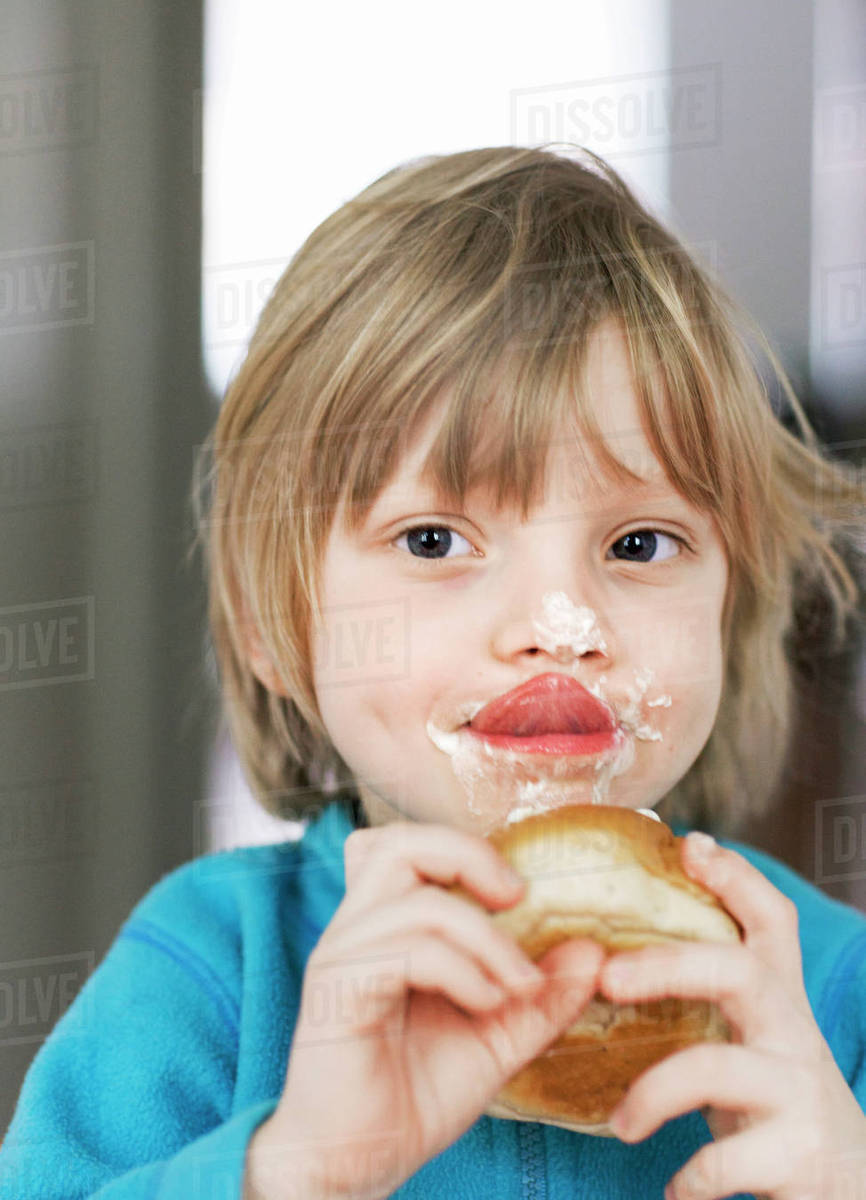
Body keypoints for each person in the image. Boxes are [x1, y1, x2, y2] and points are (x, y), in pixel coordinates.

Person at [1, 144, 865, 1200]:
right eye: (432, 540)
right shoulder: (208, 977)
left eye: (638, 544)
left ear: (729, 612)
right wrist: (291, 1172)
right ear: (276, 626)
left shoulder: (829, 992)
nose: (561, 624)